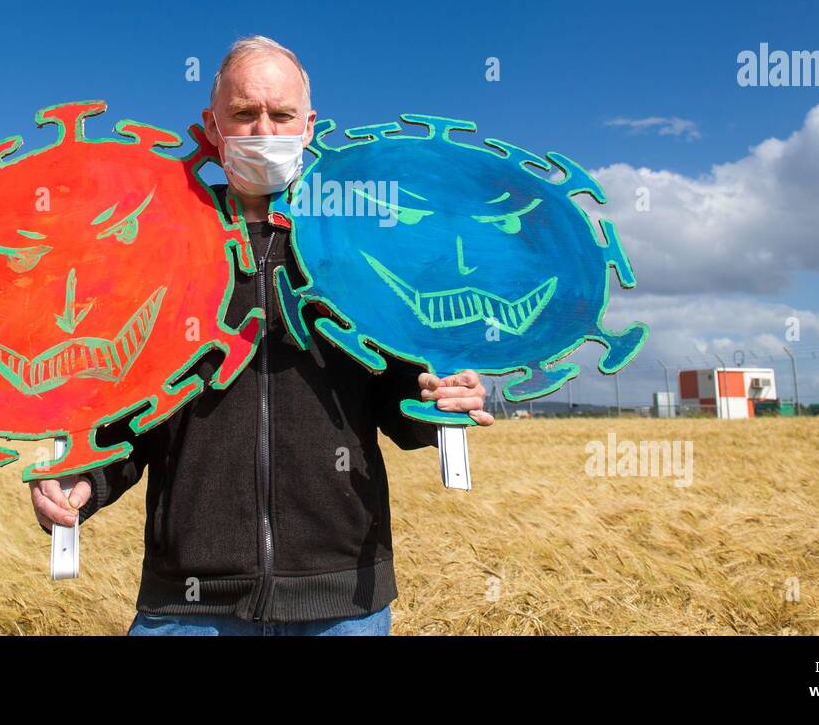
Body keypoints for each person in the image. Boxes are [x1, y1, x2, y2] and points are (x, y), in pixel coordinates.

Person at [29, 35, 492, 635]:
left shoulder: (360, 249)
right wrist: (84, 477)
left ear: (309, 126)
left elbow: (396, 397)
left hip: (342, 600)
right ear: (212, 126)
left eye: (282, 114)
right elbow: (131, 403)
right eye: (244, 113)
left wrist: (439, 404)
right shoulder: (161, 248)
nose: (263, 131)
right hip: (187, 605)